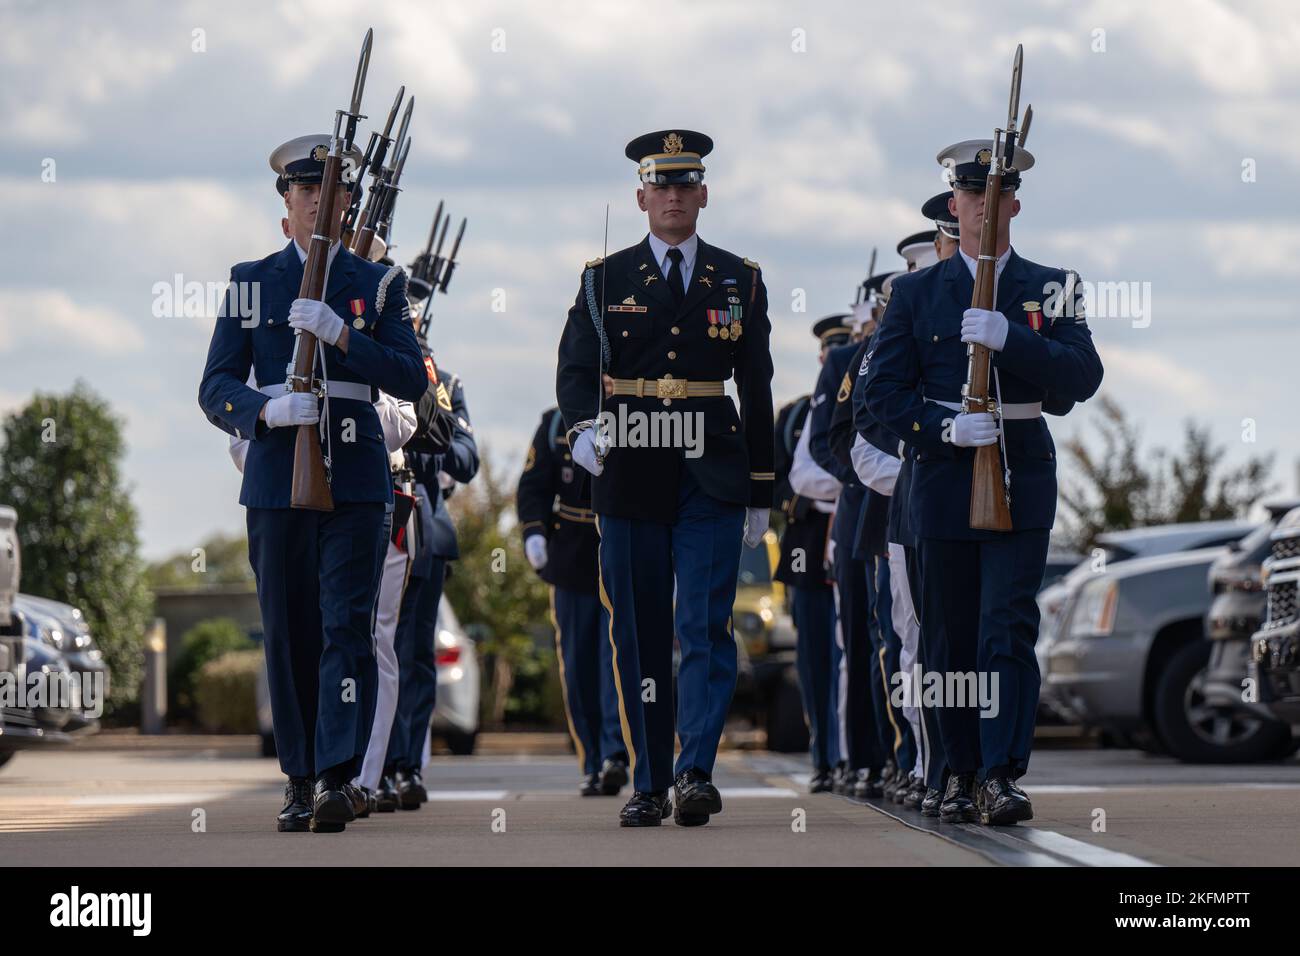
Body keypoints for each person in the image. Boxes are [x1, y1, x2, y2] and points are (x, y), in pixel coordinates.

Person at [863, 138, 1103, 825]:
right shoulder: (913, 293)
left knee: (1007, 627)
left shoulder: (1051, 285)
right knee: (947, 635)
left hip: (1020, 470)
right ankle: (954, 767)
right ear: (955, 205)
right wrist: (942, 431)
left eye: (994, 197)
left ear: (1013, 206)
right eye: (972, 198)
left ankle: (1000, 773)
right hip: (942, 479)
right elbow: (882, 394)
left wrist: (1011, 338)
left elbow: (1083, 376)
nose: (982, 209)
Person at [198, 133, 426, 833]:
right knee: (290, 632)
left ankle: (336, 775)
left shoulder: (379, 285)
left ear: (348, 202)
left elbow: (412, 379)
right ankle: (297, 778)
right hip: (276, 478)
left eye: (335, 192)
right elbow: (215, 386)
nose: (322, 203)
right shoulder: (251, 281)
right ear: (287, 209)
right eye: (308, 192)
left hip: (356, 480)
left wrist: (343, 336)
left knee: (344, 628)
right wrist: (266, 411)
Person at [555, 129, 774, 827]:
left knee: (703, 626)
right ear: (642, 196)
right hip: (632, 466)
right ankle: (648, 779)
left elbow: (758, 384)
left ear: (703, 195)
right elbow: (575, 371)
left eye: (687, 186)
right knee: (640, 632)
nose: (675, 197)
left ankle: (695, 772)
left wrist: (764, 486)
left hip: (711, 465)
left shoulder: (739, 278)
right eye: (663, 186)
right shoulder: (603, 277)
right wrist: (584, 430)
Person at [380, 276, 479, 810]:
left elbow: (465, 455)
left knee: (415, 653)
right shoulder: (383, 366)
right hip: (381, 519)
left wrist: (427, 459)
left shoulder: (440, 379)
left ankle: (406, 766)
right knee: (375, 648)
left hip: (423, 530)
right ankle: (373, 762)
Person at [517, 406, 629, 797]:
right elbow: (533, 485)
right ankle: (592, 758)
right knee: (578, 665)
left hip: (616, 550)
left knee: (612, 659)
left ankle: (617, 754)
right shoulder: (553, 422)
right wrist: (534, 532)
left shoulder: (630, 415)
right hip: (570, 557)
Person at [774, 316, 851, 791]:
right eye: (831, 352)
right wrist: (803, 499)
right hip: (807, 553)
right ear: (823, 358)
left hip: (852, 541)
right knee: (815, 662)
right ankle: (823, 756)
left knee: (853, 656)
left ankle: (854, 755)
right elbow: (772, 479)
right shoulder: (796, 417)